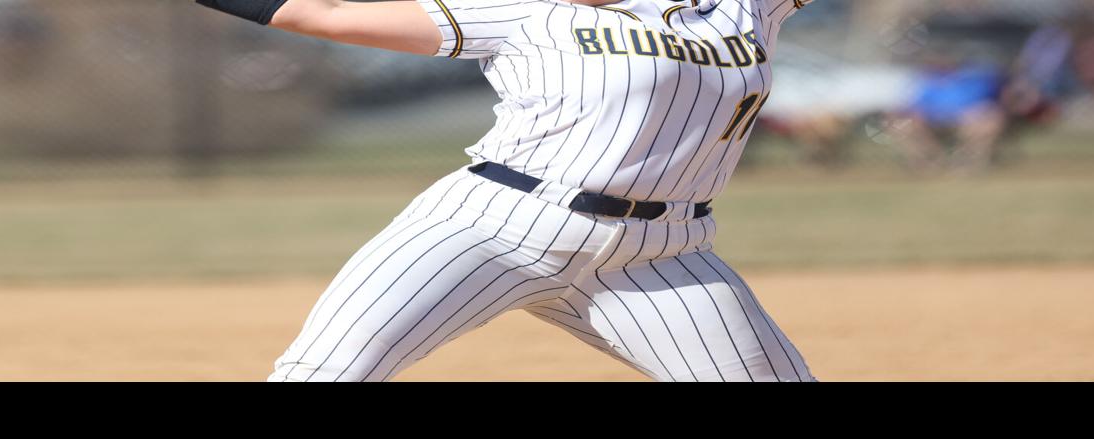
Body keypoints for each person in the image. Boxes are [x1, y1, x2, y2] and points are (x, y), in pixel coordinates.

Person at [194, 0, 817, 382]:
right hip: (490, 227)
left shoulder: (743, 5)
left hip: (661, 258)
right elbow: (326, 14)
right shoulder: (520, 9)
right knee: (324, 374)